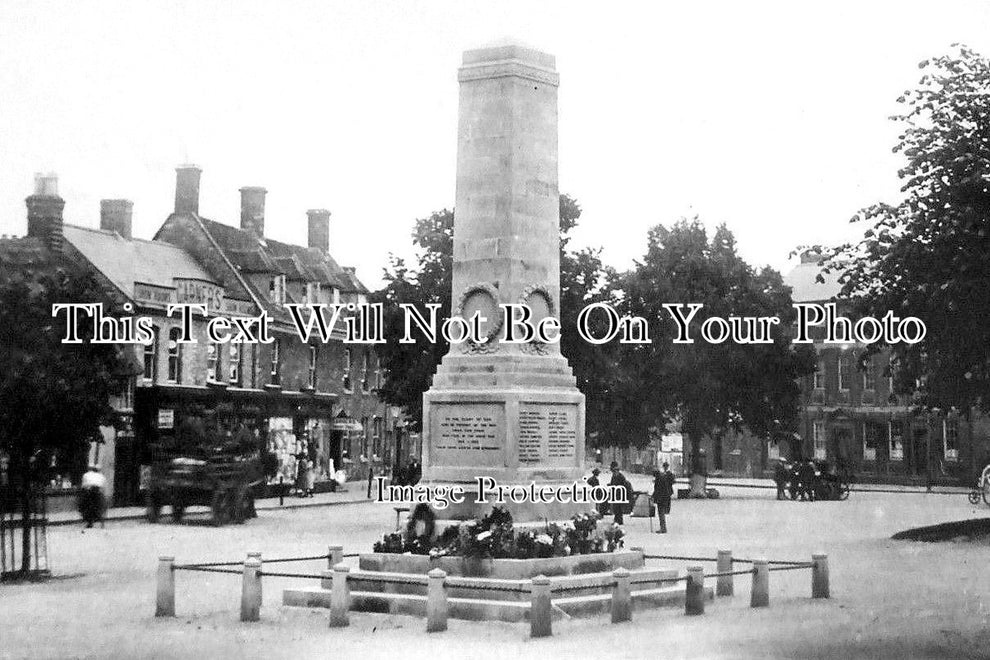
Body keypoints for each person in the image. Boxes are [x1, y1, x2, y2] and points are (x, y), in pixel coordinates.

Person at [652, 462, 675, 533]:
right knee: (662, 512)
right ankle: (663, 527)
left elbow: (657, 489)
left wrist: (653, 497)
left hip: (661, 498)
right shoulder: (664, 476)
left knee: (661, 513)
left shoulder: (659, 479)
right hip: (666, 496)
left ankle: (663, 528)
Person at [608, 461, 631, 525]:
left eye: (615, 470)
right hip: (616, 494)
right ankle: (617, 520)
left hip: (620, 495)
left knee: (618, 508)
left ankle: (619, 520)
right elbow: (613, 484)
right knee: (616, 508)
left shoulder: (621, 476)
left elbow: (622, 485)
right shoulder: (614, 476)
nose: (614, 472)